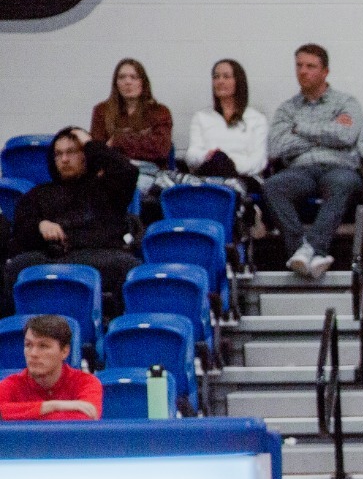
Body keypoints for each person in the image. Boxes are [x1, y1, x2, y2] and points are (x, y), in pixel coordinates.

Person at [3, 129, 139, 318]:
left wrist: (89, 142)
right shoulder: (37, 195)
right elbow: (20, 232)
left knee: (127, 266)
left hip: (98, 255)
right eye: (59, 154)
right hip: (50, 257)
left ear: (86, 154)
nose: (64, 159)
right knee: (14, 267)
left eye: (72, 152)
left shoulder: (107, 189)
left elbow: (127, 171)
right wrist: (40, 226)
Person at [264, 44, 363, 280]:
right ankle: (301, 249)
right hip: (300, 169)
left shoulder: (345, 103)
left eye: (310, 66)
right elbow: (278, 147)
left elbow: (346, 135)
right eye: (299, 65)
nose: (303, 71)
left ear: (325, 71)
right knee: (273, 186)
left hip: (339, 168)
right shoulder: (287, 109)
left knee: (343, 183)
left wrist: (300, 130)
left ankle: (312, 249)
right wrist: (325, 137)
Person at [89, 59, 174, 197]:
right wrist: (141, 141)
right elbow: (98, 151)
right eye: (122, 77)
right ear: (116, 83)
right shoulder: (102, 111)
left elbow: (160, 149)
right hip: (114, 171)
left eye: (134, 77)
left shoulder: (160, 112)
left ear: (143, 82)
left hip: (149, 172)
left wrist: (118, 141)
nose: (127, 82)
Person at [186, 59, 268, 192]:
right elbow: (191, 155)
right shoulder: (201, 117)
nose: (220, 81)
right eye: (216, 77)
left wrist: (228, 162)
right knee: (216, 162)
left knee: (220, 160)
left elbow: (258, 161)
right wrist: (206, 156)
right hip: (209, 174)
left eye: (226, 76)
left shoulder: (256, 119)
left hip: (243, 178)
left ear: (238, 81)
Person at [0, 316, 101, 420]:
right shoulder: (11, 385)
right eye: (28, 345)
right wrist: (52, 406)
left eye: (43, 346)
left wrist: (19, 415)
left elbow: (86, 416)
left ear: (64, 351)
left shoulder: (86, 382)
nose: (33, 353)